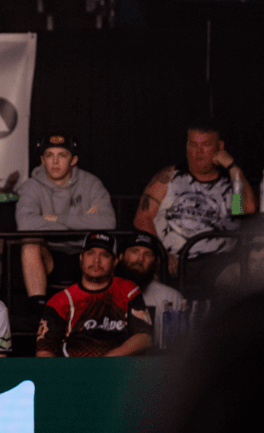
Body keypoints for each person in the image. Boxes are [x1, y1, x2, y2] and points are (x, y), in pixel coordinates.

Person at [135, 121, 256, 287]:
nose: (198, 152)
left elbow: (246, 208)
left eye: (206, 145)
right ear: (187, 146)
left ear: (219, 146)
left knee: (240, 276)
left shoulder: (230, 184)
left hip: (217, 263)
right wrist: (161, 252)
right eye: (193, 144)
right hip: (171, 262)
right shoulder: (169, 177)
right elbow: (142, 218)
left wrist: (231, 166)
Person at [14, 134, 116, 310]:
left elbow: (107, 222)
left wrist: (53, 218)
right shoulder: (31, 186)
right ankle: (38, 309)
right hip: (50, 256)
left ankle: (103, 307)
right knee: (30, 242)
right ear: (42, 160)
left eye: (62, 155)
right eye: (49, 155)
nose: (55, 161)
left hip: (85, 253)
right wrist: (84, 219)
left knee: (101, 245)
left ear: (73, 159)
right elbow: (25, 224)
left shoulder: (91, 183)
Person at [36, 231, 153, 357]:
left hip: (117, 369)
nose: (96, 260)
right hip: (75, 372)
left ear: (115, 261)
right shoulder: (60, 301)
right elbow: (44, 352)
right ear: (81, 257)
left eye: (104, 255)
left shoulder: (128, 290)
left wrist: (105, 361)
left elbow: (144, 337)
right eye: (90, 253)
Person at [116, 230, 184, 325]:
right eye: (134, 251)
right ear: (121, 256)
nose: (140, 259)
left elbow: (177, 338)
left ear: (155, 261)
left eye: (148, 254)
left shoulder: (170, 298)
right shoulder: (101, 294)